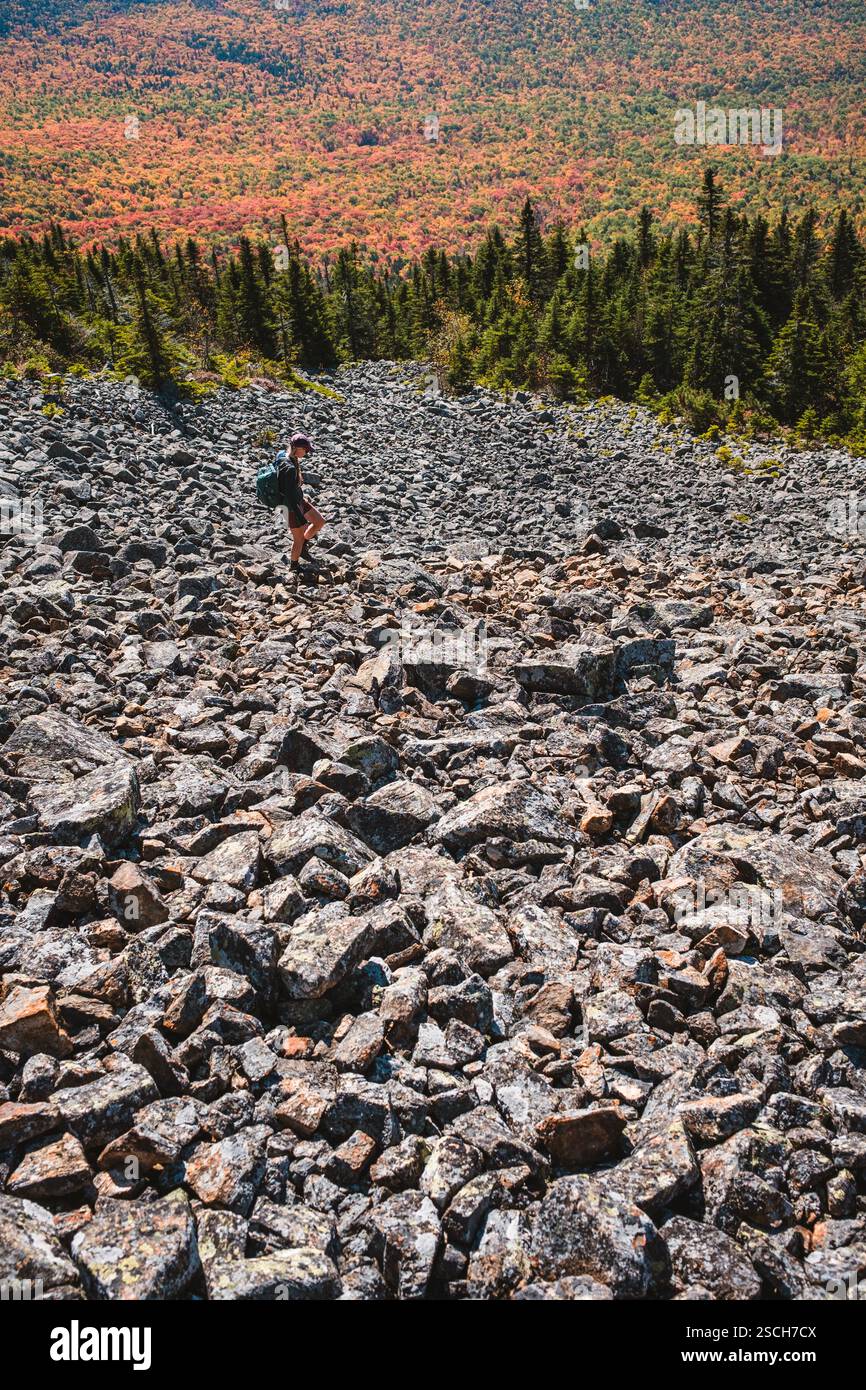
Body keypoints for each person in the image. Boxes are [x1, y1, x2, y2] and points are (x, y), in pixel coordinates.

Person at [278, 431, 325, 574]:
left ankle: (304, 546)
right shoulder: (290, 468)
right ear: (296, 448)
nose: (306, 452)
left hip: (298, 501)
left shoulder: (284, 457)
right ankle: (294, 566)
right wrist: (299, 516)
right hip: (290, 507)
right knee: (297, 539)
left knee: (319, 521)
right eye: (305, 449)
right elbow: (288, 495)